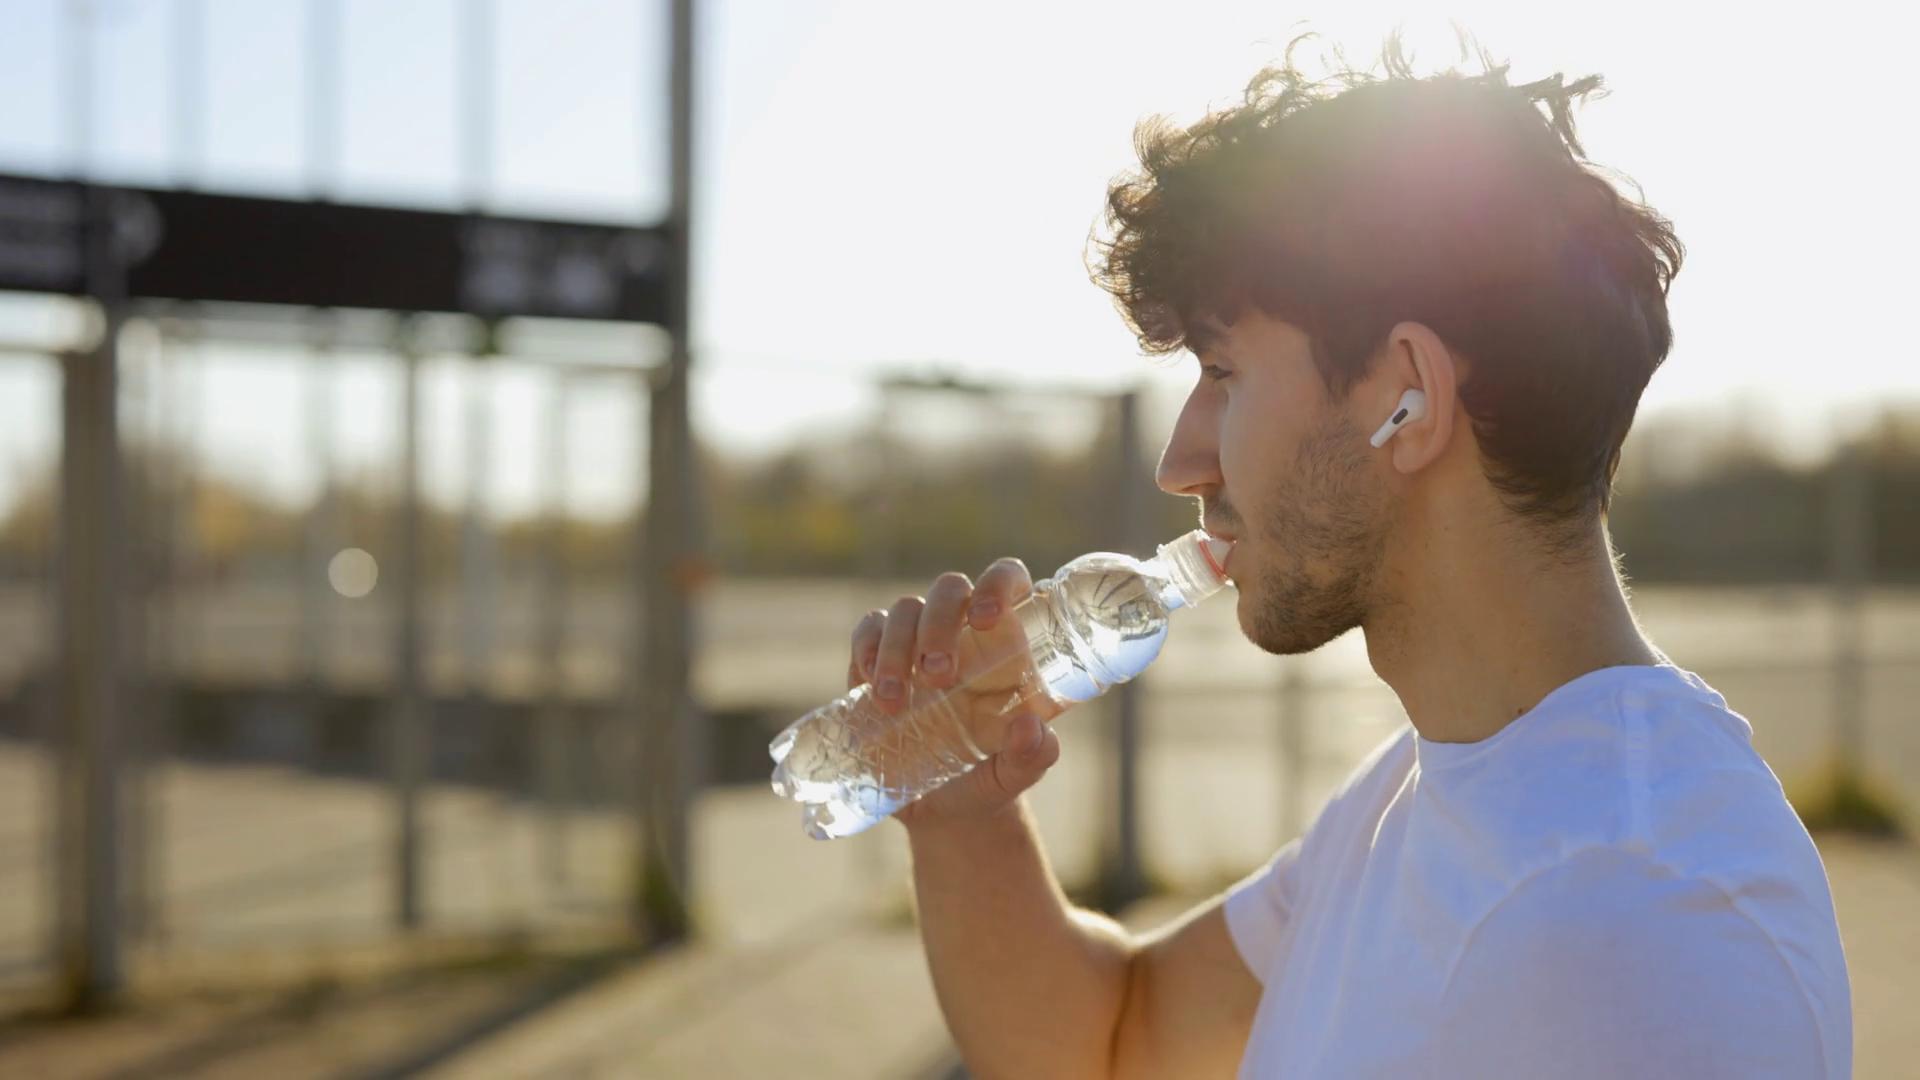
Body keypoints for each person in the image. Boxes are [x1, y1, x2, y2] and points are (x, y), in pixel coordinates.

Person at [843, 37, 1853, 1079]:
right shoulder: (1423, 789)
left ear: (1406, 399)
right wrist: (963, 816)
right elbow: (1110, 1041)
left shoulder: (1630, 928)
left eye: (1224, 370)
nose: (1180, 462)